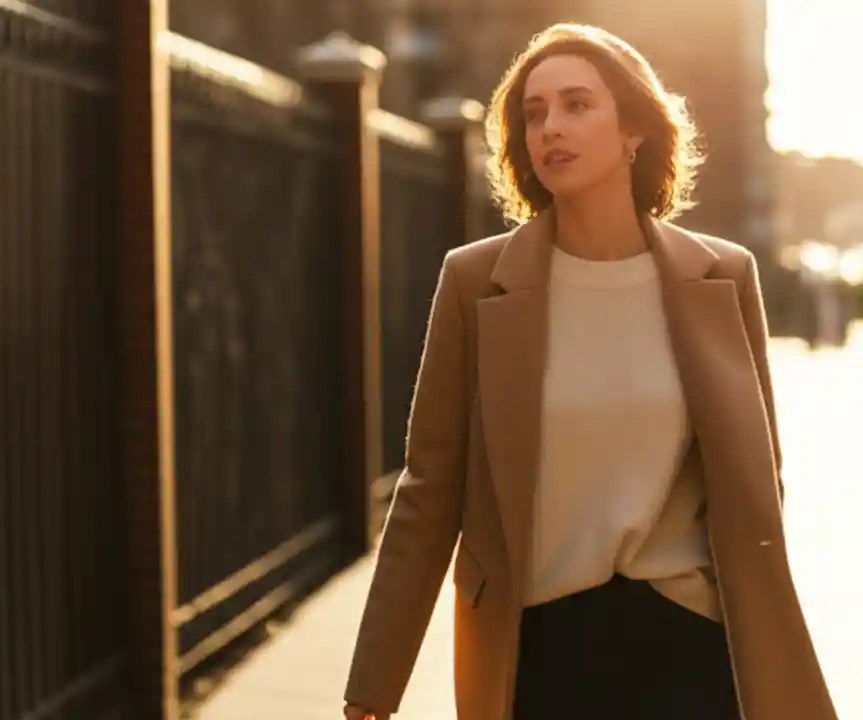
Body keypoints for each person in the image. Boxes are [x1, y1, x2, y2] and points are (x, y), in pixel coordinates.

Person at [342, 23, 837, 720]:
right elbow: (428, 492)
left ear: (634, 128)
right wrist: (374, 684)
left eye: (577, 104)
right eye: (534, 112)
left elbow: (758, 479)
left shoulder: (722, 276)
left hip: (690, 642)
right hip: (541, 647)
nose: (551, 127)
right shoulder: (477, 282)